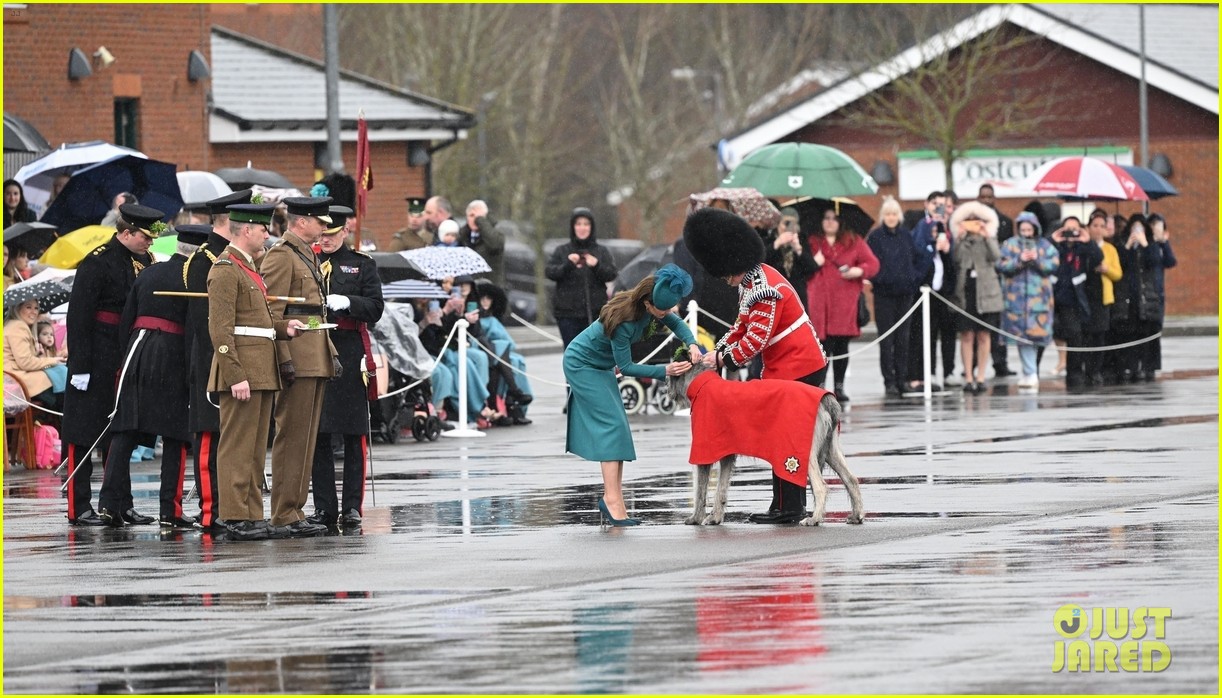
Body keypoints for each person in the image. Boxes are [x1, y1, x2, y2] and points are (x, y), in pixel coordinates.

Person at [684, 207, 829, 525]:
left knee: (787, 436)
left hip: (800, 364)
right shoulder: (750, 282)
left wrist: (723, 359)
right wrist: (716, 351)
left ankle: (790, 507)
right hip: (784, 366)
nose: (726, 279)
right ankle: (782, 503)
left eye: (726, 273)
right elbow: (740, 327)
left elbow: (755, 340)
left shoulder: (763, 288)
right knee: (780, 435)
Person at [562, 264, 699, 526]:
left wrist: (691, 343)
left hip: (600, 366)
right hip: (582, 365)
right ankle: (611, 500)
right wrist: (665, 370)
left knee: (619, 429)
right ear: (648, 303)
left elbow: (674, 321)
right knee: (611, 427)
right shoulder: (624, 321)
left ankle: (615, 500)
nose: (666, 314)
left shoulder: (652, 305)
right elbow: (625, 367)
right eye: (661, 310)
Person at [96, 225, 211, 529]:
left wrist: (127, 356)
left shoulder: (149, 272)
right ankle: (169, 510)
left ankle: (109, 503)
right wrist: (194, 371)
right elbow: (194, 328)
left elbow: (127, 319)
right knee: (176, 435)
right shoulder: (195, 277)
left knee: (125, 430)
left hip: (137, 351)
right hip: (173, 355)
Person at [207, 202, 308, 541]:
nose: (267, 234)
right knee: (237, 447)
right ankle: (236, 515)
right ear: (246, 229)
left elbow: (257, 320)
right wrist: (234, 375)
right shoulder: (225, 268)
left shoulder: (247, 267)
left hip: (260, 369)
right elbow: (221, 330)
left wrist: (283, 328)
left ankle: (251, 513)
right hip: (242, 371)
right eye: (263, 229)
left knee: (252, 450)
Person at [61, 203, 162, 526]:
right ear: (126, 233)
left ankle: (119, 504)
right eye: (145, 236)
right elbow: (79, 317)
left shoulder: (146, 261)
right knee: (84, 433)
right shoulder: (97, 262)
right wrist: (80, 366)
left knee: (122, 433)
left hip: (126, 354)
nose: (150, 242)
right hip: (96, 357)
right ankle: (79, 506)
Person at [262, 196, 338, 539]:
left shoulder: (306, 253)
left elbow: (315, 311)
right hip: (296, 356)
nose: (324, 229)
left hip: (314, 356)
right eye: (320, 222)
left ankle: (295, 508)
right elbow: (272, 313)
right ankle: (283, 512)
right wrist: (284, 358)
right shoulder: (281, 255)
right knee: (292, 437)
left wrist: (329, 351)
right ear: (301, 221)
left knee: (305, 440)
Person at [308, 206, 384, 529]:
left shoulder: (362, 264)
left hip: (349, 350)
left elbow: (376, 307)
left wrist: (349, 303)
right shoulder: (308, 260)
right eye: (321, 234)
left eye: (331, 234)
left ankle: (352, 506)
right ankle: (324, 506)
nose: (325, 240)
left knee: (354, 433)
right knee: (318, 432)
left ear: (345, 232)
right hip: (315, 346)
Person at [183, 189, 252, 532]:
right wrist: (226, 363)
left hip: (236, 359)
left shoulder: (237, 257)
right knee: (211, 436)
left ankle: (234, 505)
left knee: (234, 438)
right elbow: (205, 321)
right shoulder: (205, 259)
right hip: (213, 359)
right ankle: (211, 510)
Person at [806, 207, 879, 403]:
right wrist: (813, 261)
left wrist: (858, 271)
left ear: (841, 222)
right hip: (819, 303)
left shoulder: (853, 241)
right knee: (821, 347)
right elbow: (802, 265)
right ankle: (820, 386)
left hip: (844, 303)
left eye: (834, 218)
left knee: (841, 346)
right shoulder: (812, 241)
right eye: (826, 218)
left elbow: (873, 264)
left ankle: (839, 387)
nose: (830, 222)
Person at [865, 196, 923, 398]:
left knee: (903, 340)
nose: (891, 218)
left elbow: (916, 258)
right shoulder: (875, 237)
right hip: (884, 294)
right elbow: (871, 262)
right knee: (886, 340)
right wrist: (881, 279)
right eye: (888, 214)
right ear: (883, 216)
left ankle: (902, 379)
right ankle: (889, 380)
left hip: (905, 293)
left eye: (894, 214)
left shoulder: (906, 235)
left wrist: (913, 278)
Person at [996, 211, 1058, 392]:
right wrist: (1019, 260)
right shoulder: (1009, 245)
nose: (1026, 233)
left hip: (1039, 302)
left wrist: (1037, 260)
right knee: (1021, 338)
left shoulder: (1045, 246)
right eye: (1023, 229)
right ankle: (1029, 372)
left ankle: (1031, 371)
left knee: (1036, 337)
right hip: (1015, 302)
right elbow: (1001, 265)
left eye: (1029, 229)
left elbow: (1053, 265)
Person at [948, 201, 1002, 394]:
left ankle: (981, 376)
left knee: (984, 335)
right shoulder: (961, 240)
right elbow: (955, 260)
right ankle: (968, 376)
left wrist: (987, 236)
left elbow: (996, 256)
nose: (973, 223)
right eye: (969, 220)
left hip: (986, 291)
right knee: (967, 335)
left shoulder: (989, 238)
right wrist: (959, 238)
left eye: (976, 220)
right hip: (965, 291)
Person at [546, 207, 619, 347]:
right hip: (567, 314)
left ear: (591, 227)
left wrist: (596, 265)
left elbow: (611, 274)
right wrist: (568, 265)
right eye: (578, 224)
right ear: (573, 227)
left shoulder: (601, 251)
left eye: (586, 224)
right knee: (572, 350)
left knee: (594, 350)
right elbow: (550, 272)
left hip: (595, 312)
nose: (582, 228)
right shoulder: (562, 251)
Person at [907, 191, 957, 390]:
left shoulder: (945, 227)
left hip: (940, 292)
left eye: (942, 204)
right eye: (935, 203)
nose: (938, 208)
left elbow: (949, 264)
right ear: (926, 204)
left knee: (939, 334)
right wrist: (933, 246)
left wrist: (946, 250)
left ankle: (936, 372)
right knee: (920, 335)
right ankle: (917, 375)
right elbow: (919, 255)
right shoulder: (922, 225)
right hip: (922, 292)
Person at [1048, 216, 1103, 390]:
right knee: (1045, 335)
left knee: (1075, 336)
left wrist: (1088, 241)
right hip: (1052, 299)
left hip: (1074, 301)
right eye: (1068, 229)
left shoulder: (1083, 249)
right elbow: (1043, 255)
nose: (1071, 233)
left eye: (1075, 229)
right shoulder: (1055, 247)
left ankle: (1074, 373)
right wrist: (1053, 240)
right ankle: (1032, 372)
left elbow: (1098, 258)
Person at [1110, 214, 1164, 383]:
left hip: (1146, 298)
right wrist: (1127, 246)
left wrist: (1145, 244)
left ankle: (1148, 367)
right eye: (1134, 228)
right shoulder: (1122, 245)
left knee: (1148, 334)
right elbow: (1119, 265)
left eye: (1140, 228)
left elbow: (1155, 261)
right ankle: (1130, 367)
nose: (1137, 232)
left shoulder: (1151, 246)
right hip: (1128, 299)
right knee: (1129, 335)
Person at [471, 280, 533, 425]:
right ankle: (513, 393)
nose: (485, 301)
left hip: (495, 352)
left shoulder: (492, 319)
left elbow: (507, 342)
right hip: (480, 349)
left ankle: (510, 404)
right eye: (482, 298)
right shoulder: (474, 317)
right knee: (500, 355)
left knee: (515, 361)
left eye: (489, 298)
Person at [977, 184, 1015, 378]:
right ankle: (975, 365)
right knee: (978, 323)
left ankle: (1001, 362)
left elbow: (1009, 251)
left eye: (989, 197)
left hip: (999, 276)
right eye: (982, 197)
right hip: (978, 276)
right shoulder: (972, 222)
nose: (986, 200)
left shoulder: (1005, 222)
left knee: (998, 322)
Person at [3, 298, 67, 411]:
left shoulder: (11, 325)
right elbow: (25, 363)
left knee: (59, 373)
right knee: (62, 380)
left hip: (12, 376)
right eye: (28, 307)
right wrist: (53, 360)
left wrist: (36, 353)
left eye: (36, 308)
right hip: (17, 380)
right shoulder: (18, 327)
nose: (34, 312)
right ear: (17, 309)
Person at [1081, 210, 1122, 387]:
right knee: (1085, 336)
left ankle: (1095, 370)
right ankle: (1084, 368)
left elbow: (1118, 274)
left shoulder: (1110, 249)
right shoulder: (1083, 246)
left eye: (1102, 226)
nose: (1098, 229)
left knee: (1099, 335)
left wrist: (1107, 270)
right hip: (1085, 296)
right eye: (1095, 226)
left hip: (1102, 298)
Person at [1144, 213, 1177, 379]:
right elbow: (1150, 261)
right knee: (1145, 331)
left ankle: (1152, 365)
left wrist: (1164, 242)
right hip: (1145, 293)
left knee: (1156, 330)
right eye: (1154, 226)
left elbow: (1171, 261)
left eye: (1159, 227)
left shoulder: (1161, 245)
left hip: (1158, 294)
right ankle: (1144, 365)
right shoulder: (1146, 245)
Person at [764, 207, 815, 310]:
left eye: (792, 224)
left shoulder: (801, 240)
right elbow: (762, 261)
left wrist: (798, 249)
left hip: (796, 295)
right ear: (778, 224)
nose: (788, 228)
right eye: (786, 223)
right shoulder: (768, 240)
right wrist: (776, 244)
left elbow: (811, 269)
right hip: (773, 293)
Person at [459, 199, 506, 287]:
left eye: (480, 216)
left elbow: (495, 244)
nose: (475, 220)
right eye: (472, 216)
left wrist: (481, 221)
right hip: (470, 287)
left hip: (491, 287)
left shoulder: (496, 234)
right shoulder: (464, 236)